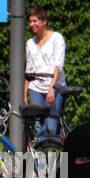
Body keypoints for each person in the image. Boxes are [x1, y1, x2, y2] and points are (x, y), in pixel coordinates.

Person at [24, 7, 66, 140]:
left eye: (35, 21)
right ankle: (40, 160)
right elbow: (29, 69)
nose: (32, 24)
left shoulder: (56, 38)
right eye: (30, 22)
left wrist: (51, 88)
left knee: (51, 127)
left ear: (44, 21)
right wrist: (24, 94)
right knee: (38, 127)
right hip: (36, 88)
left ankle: (54, 157)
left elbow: (58, 64)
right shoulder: (30, 43)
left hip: (54, 87)